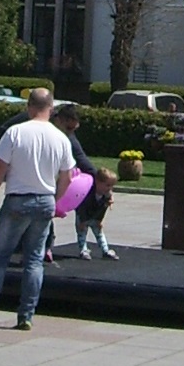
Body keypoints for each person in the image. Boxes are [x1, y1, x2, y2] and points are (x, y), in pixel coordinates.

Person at [0, 89, 72, 330]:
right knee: (34, 261)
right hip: (44, 200)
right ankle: (26, 315)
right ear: (51, 109)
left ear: (29, 106)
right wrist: (56, 200)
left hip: (17, 200)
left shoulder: (16, 132)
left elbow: (0, 167)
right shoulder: (61, 138)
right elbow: (67, 177)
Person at [51, 106, 118, 261]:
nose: (74, 129)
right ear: (62, 121)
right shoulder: (62, 136)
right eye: (71, 126)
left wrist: (101, 181)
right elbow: (80, 159)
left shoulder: (68, 137)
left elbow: (81, 159)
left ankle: (46, 246)